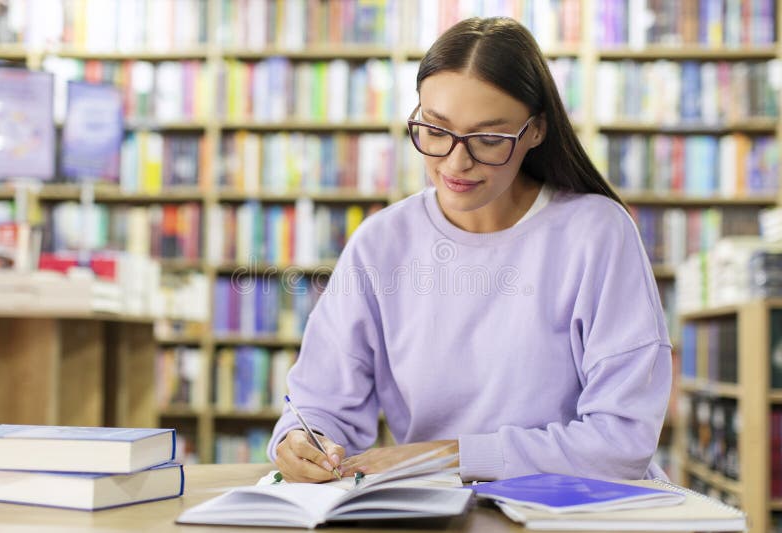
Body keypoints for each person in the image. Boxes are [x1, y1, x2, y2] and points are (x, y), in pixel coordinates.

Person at [268, 16, 672, 483]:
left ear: (536, 131)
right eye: (435, 131)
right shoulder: (380, 244)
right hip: (435, 509)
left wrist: (450, 455)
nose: (456, 162)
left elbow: (622, 443)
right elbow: (319, 404)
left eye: (489, 139)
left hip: (575, 509)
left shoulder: (597, 232)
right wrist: (301, 440)